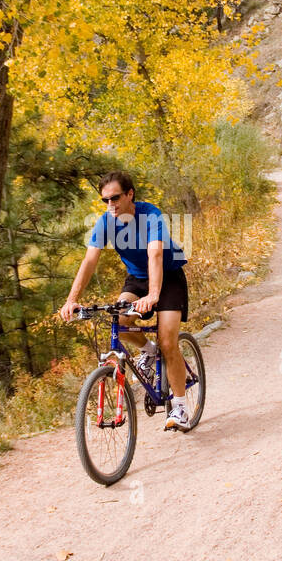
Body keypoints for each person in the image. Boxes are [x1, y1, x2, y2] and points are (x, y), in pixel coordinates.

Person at [59, 171, 191, 431]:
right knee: (119, 319)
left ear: (130, 194)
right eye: (105, 200)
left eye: (115, 198)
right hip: (137, 279)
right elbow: (89, 261)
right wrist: (71, 300)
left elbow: (155, 254)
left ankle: (181, 406)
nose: (111, 205)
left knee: (167, 340)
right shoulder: (106, 222)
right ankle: (148, 350)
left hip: (169, 277)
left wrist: (153, 296)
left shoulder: (151, 215)